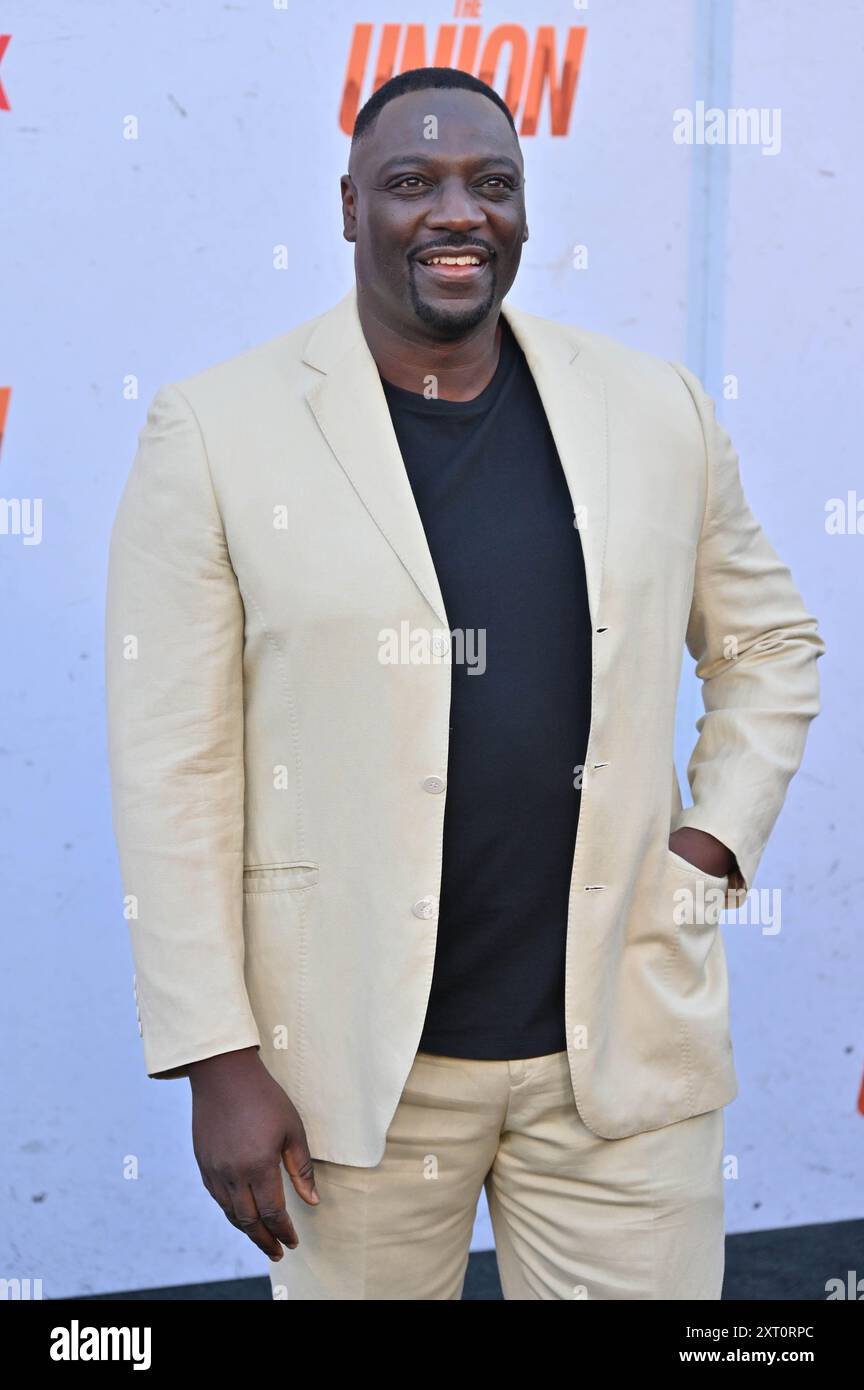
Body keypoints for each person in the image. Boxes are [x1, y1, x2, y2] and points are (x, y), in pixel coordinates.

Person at [105, 67, 826, 1300]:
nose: (457, 213)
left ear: (525, 211)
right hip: (350, 1072)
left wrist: (706, 848)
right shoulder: (217, 430)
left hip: (624, 1052)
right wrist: (218, 1054)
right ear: (347, 208)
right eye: (411, 184)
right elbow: (173, 758)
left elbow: (769, 646)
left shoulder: (656, 410)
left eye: (491, 184)